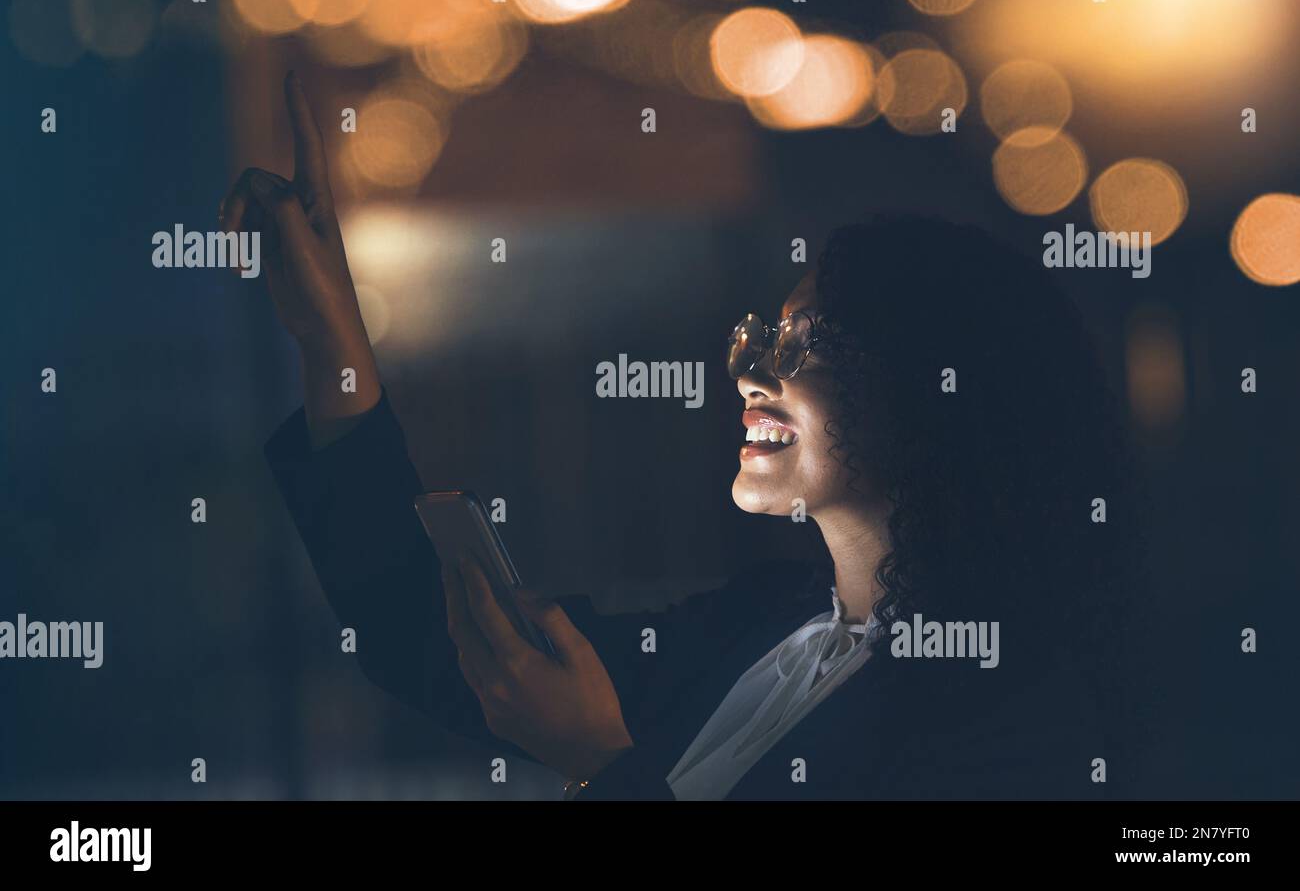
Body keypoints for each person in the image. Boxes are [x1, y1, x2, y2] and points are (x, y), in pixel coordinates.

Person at [221, 73, 1140, 801]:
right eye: (760, 340)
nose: (749, 373)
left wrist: (601, 765)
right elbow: (426, 639)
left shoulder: (1008, 718)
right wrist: (331, 337)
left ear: (931, 392)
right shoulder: (765, 629)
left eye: (803, 346)